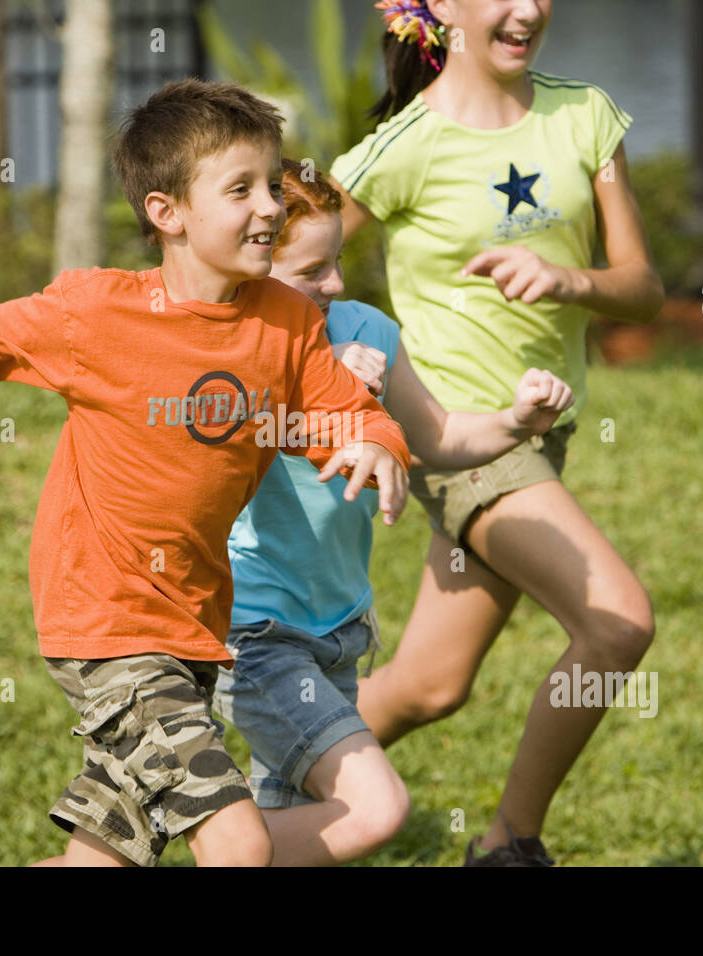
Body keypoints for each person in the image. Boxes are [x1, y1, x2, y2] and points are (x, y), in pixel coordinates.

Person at [0, 80, 410, 868]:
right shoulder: (97, 314)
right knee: (238, 845)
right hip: (107, 623)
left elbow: (338, 412)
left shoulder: (286, 321)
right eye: (241, 189)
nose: (268, 207)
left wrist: (373, 441)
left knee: (107, 859)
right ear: (167, 212)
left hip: (194, 624)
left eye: (271, 184)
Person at [328, 0, 664, 865]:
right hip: (454, 437)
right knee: (617, 622)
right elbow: (287, 254)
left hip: (537, 439)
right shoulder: (401, 147)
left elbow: (641, 288)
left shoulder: (585, 115)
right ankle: (509, 847)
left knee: (428, 686)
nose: (529, 8)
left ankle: (254, 802)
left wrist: (569, 280)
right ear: (437, 6)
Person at [217, 158, 573, 865]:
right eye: (313, 271)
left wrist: (515, 420)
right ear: (255, 266)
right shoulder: (229, 340)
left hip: (340, 628)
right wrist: (324, 395)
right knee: (361, 808)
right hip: (255, 629)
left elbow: (435, 438)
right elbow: (227, 446)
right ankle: (156, 848)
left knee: (300, 832)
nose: (337, 284)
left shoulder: (366, 330)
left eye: (338, 260)